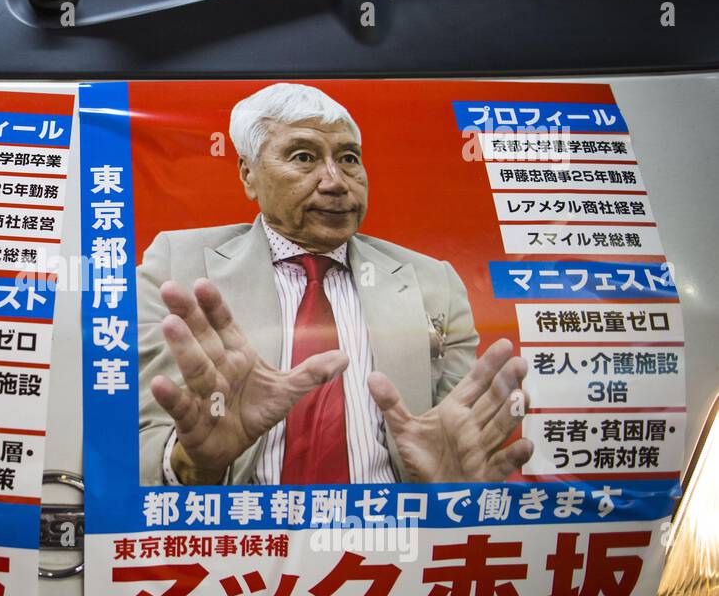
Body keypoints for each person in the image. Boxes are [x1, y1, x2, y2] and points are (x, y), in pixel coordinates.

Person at [139, 83, 533, 486]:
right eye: (304, 157)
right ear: (249, 175)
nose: (335, 182)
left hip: (389, 535)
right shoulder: (179, 264)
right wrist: (194, 461)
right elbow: (140, 440)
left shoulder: (433, 282)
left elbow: (457, 437)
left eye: (348, 159)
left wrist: (446, 486)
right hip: (239, 535)